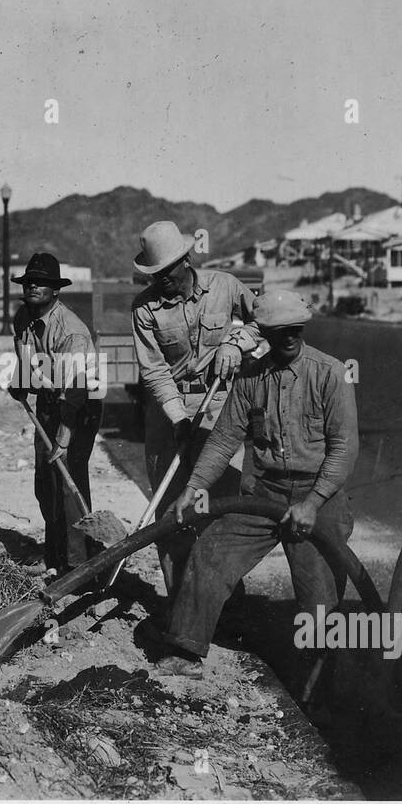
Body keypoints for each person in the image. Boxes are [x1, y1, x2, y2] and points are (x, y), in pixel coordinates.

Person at [156, 290, 358, 679]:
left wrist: (313, 503)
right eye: (277, 331)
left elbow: (344, 449)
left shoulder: (330, 372)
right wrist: (194, 487)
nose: (287, 337)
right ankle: (186, 650)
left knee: (319, 601)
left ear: (302, 327)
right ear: (263, 331)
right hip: (264, 494)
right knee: (210, 553)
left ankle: (325, 685)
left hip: (319, 495)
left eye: (294, 329)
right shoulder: (251, 377)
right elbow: (223, 439)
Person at [131, 220, 257, 593]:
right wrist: (178, 418)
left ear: (185, 260)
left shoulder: (225, 286)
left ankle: (224, 600)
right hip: (169, 408)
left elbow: (262, 318)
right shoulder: (144, 309)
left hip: (220, 405)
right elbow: (153, 370)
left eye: (167, 270)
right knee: (171, 506)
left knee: (218, 505)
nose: (161, 280)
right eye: (154, 274)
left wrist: (238, 343)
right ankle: (179, 603)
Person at [7, 252, 102, 575]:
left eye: (42, 282)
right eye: (30, 281)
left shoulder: (71, 330)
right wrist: (20, 382)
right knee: (45, 482)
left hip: (79, 406)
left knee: (68, 481)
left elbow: (75, 391)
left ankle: (80, 564)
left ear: (56, 290)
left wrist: (64, 436)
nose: (33, 286)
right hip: (49, 403)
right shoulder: (21, 318)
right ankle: (55, 554)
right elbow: (28, 362)